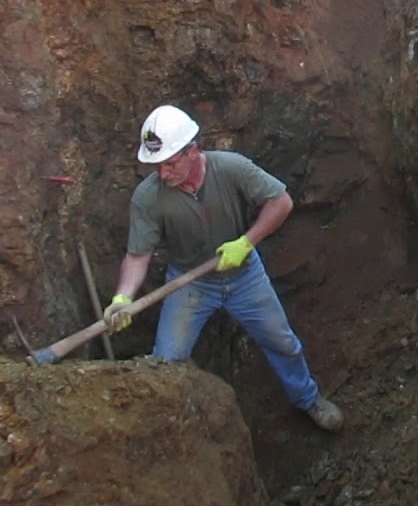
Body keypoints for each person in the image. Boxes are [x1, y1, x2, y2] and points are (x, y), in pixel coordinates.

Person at [102, 104, 344, 432]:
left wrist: (246, 242)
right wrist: (122, 297)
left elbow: (281, 202)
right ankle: (168, 431)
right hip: (189, 284)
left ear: (192, 151)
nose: (163, 173)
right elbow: (136, 256)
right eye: (156, 166)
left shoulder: (230, 168)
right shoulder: (147, 198)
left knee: (282, 341)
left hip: (245, 276)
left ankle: (308, 398)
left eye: (170, 163)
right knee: (165, 363)